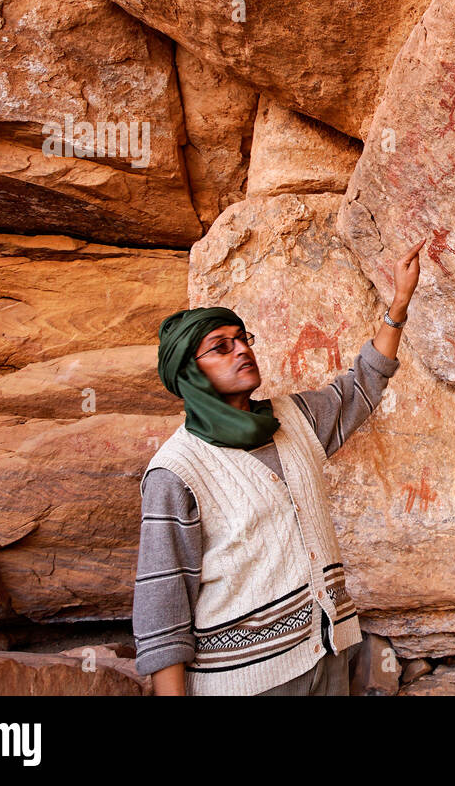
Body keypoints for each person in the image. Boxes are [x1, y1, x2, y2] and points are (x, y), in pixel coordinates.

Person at [131, 239, 425, 696]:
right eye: (220, 347)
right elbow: (162, 603)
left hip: (327, 656)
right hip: (247, 681)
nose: (241, 351)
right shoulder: (176, 471)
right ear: (190, 372)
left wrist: (399, 305)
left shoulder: (294, 420)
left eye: (243, 339)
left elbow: (363, 383)